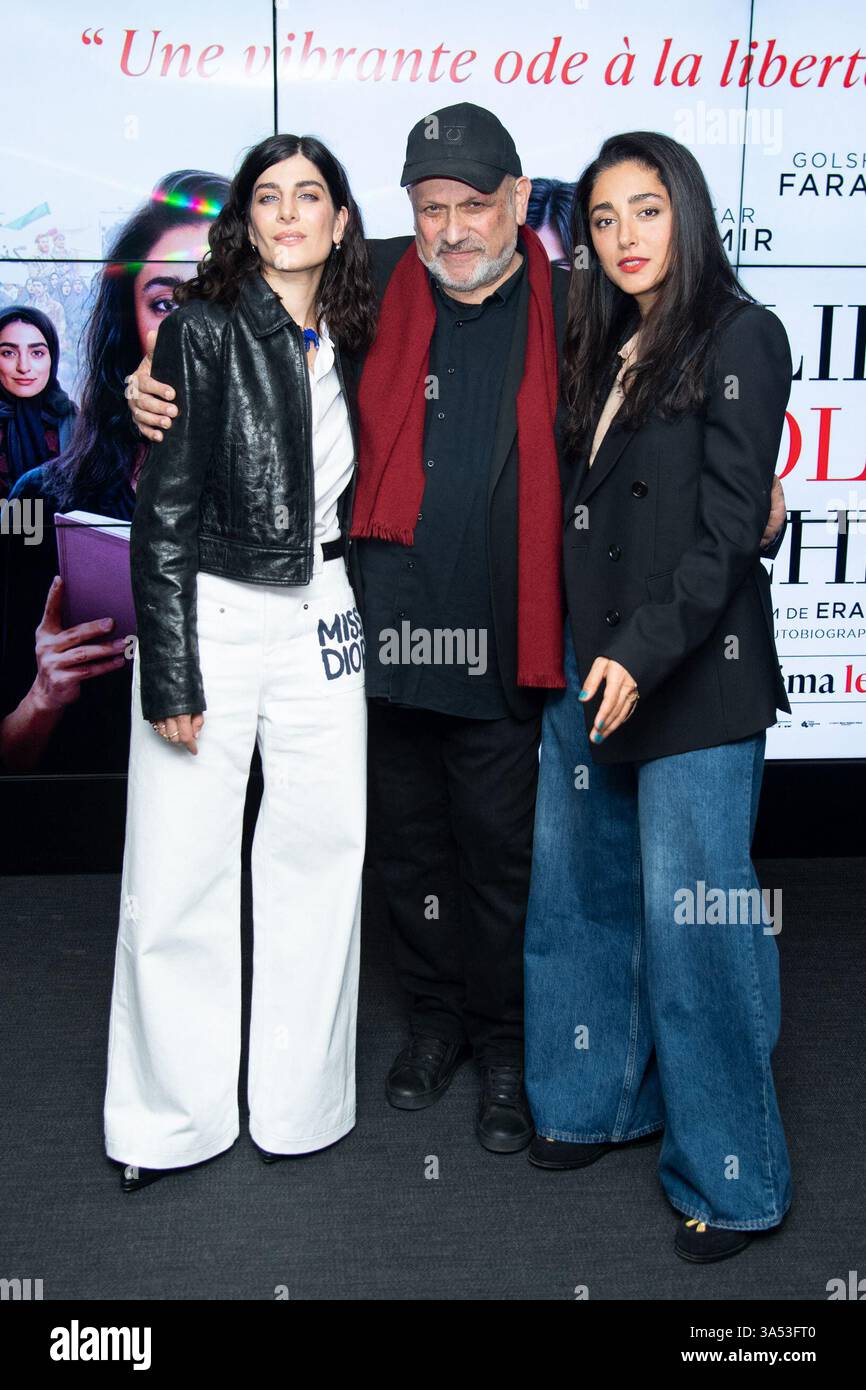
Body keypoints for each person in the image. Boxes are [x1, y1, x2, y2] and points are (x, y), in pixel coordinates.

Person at [125, 104, 787, 1158]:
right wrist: (153, 382)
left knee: (501, 864)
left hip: (510, 644)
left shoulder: (578, 302)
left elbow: (672, 395)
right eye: (429, 208)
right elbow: (242, 319)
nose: (451, 229)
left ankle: (502, 1050)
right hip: (367, 642)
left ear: (518, 202)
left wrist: (757, 492)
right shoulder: (366, 283)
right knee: (403, 853)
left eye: (473, 205)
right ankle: (430, 1027)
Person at [523, 131, 793, 1262]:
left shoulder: (743, 333)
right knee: (581, 897)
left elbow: (735, 524)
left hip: (688, 667)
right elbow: (441, 246)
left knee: (695, 924)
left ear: (685, 212)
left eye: (645, 210)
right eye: (600, 219)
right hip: (587, 662)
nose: (623, 237)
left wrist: (640, 651)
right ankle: (595, 1103)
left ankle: (733, 1178)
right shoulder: (597, 339)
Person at [103, 133, 375, 1191]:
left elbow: (478, 246)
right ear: (248, 221)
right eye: (271, 196)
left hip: (328, 608)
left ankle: (300, 1107)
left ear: (342, 220)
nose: (292, 212)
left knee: (319, 855)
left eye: (312, 195)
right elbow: (160, 516)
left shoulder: (368, 326)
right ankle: (167, 1121)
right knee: (180, 869)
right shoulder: (202, 333)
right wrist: (168, 669)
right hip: (211, 608)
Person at [0, 171, 228, 774]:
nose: (187, 328)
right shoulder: (42, 501)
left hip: (234, 833)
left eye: (216, 298)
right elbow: (9, 753)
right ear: (131, 323)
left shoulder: (301, 503)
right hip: (82, 843)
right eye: (163, 302)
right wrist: (45, 692)